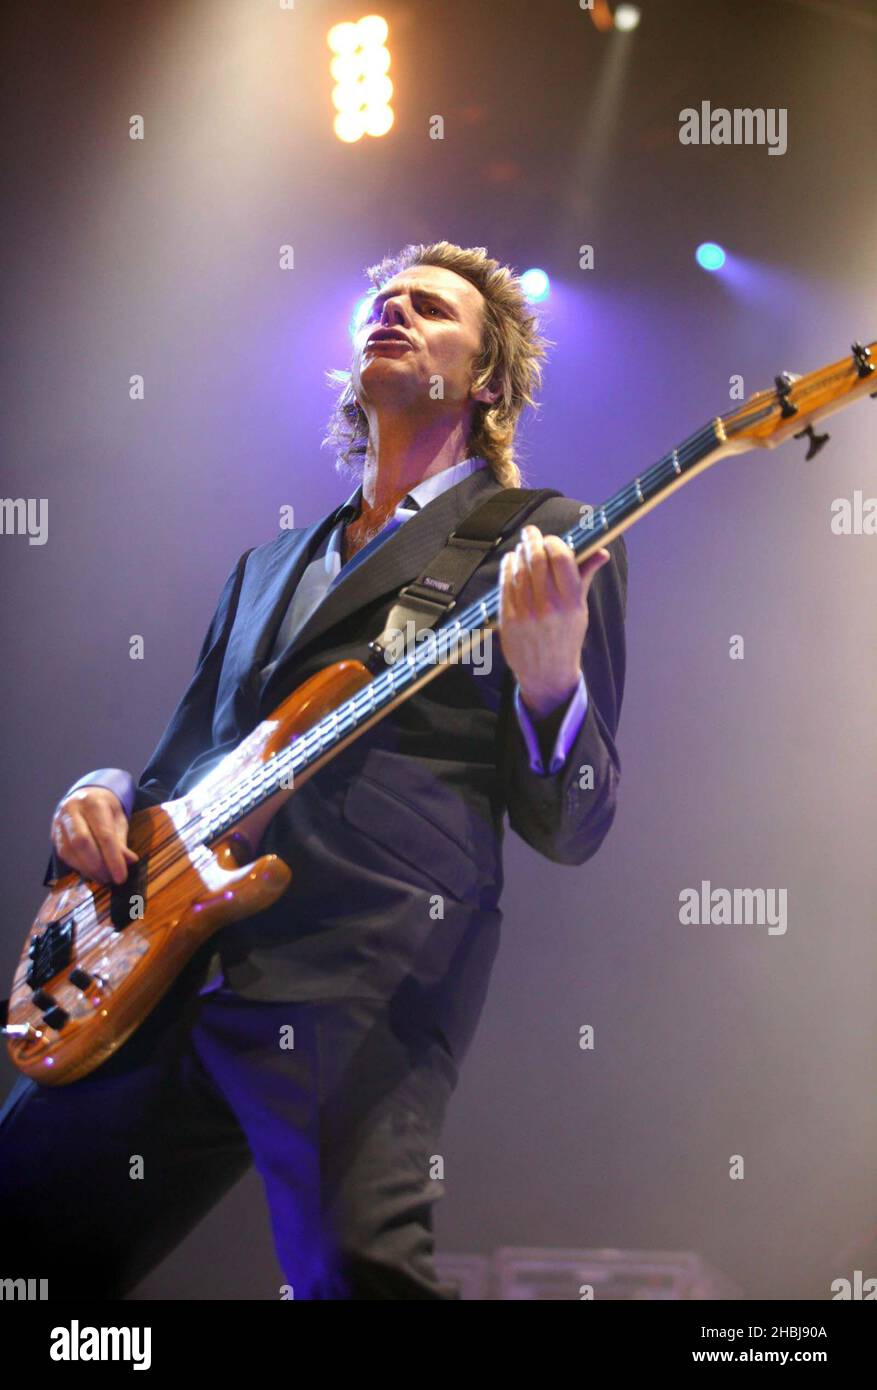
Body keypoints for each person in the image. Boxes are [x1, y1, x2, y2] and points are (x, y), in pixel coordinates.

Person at [0, 241, 627, 1299]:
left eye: (429, 308)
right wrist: (95, 791)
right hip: (164, 967)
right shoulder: (266, 567)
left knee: (358, 1274)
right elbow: (173, 768)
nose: (392, 312)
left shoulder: (541, 538)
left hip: (360, 970)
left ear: (482, 380)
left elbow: (575, 825)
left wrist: (551, 688)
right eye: (382, 300)